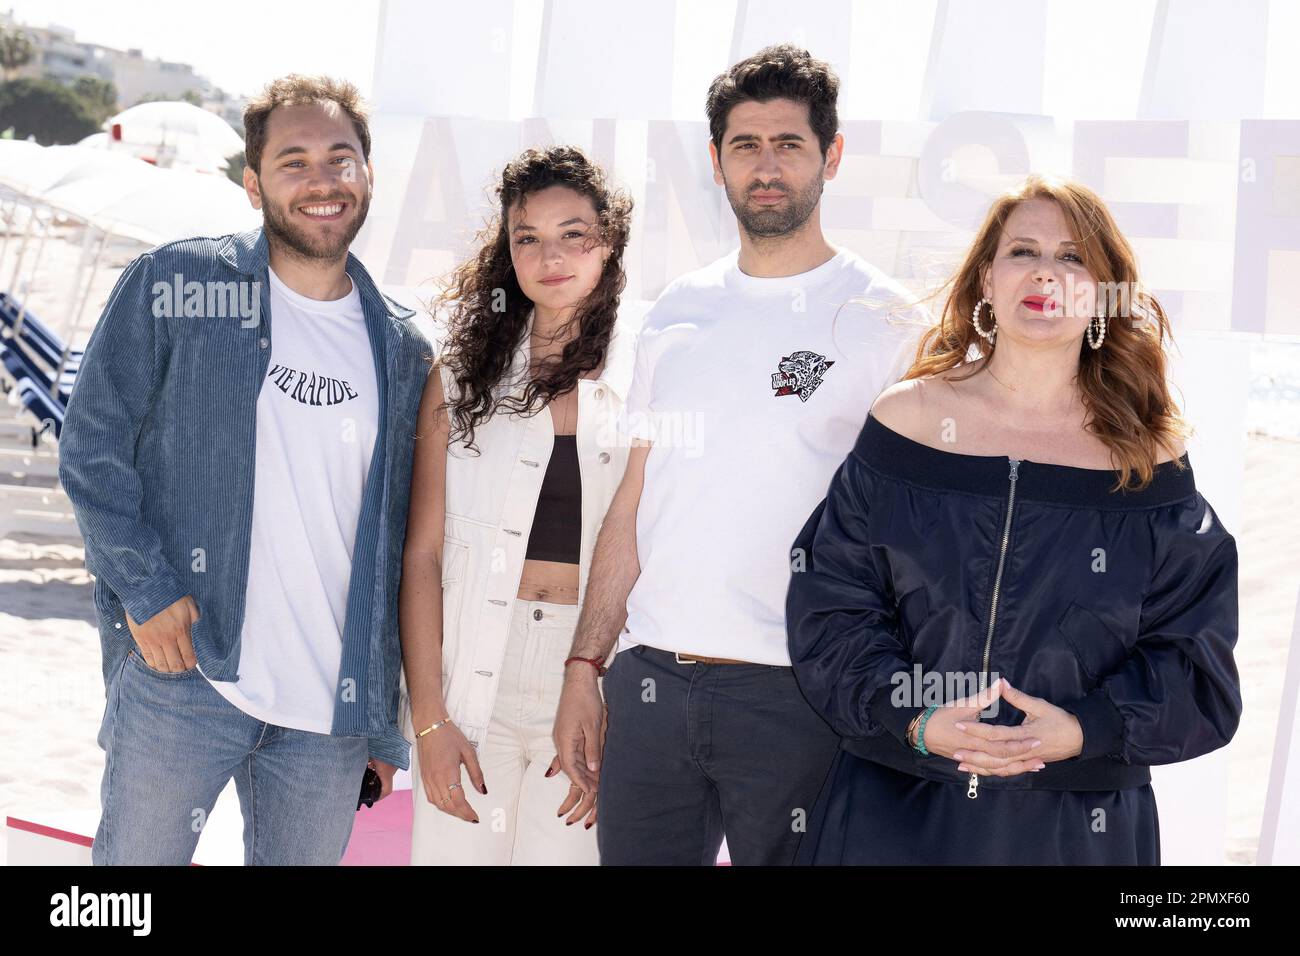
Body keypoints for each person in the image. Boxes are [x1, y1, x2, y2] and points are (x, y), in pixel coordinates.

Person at [786, 174, 1243, 865]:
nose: (1045, 273)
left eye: (1072, 257)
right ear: (986, 280)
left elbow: (1195, 661)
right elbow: (833, 604)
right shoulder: (908, 420)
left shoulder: (1148, 460)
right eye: (1023, 251)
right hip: (896, 806)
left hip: (1077, 826)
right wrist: (914, 718)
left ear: (1103, 293)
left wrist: (1083, 729)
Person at [551, 44, 926, 866]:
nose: (766, 166)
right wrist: (587, 661)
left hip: (803, 694)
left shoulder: (888, 320)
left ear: (832, 155)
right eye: (746, 145)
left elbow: (918, 531)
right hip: (651, 684)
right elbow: (635, 500)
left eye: (789, 144)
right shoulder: (677, 311)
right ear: (716, 161)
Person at [60, 75, 429, 865]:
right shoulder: (176, 284)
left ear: (368, 176)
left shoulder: (404, 348)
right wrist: (147, 590)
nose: (322, 180)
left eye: (340, 158)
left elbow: (398, 543)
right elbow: (92, 447)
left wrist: (382, 726)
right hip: (187, 673)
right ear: (254, 184)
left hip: (330, 716)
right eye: (294, 162)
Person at [400, 146, 637, 865]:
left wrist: (612, 697)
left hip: (590, 675)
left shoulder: (646, 376)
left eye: (573, 234)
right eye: (527, 237)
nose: (549, 256)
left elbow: (642, 549)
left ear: (609, 242)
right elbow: (423, 555)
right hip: (474, 673)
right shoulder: (460, 380)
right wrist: (430, 719)